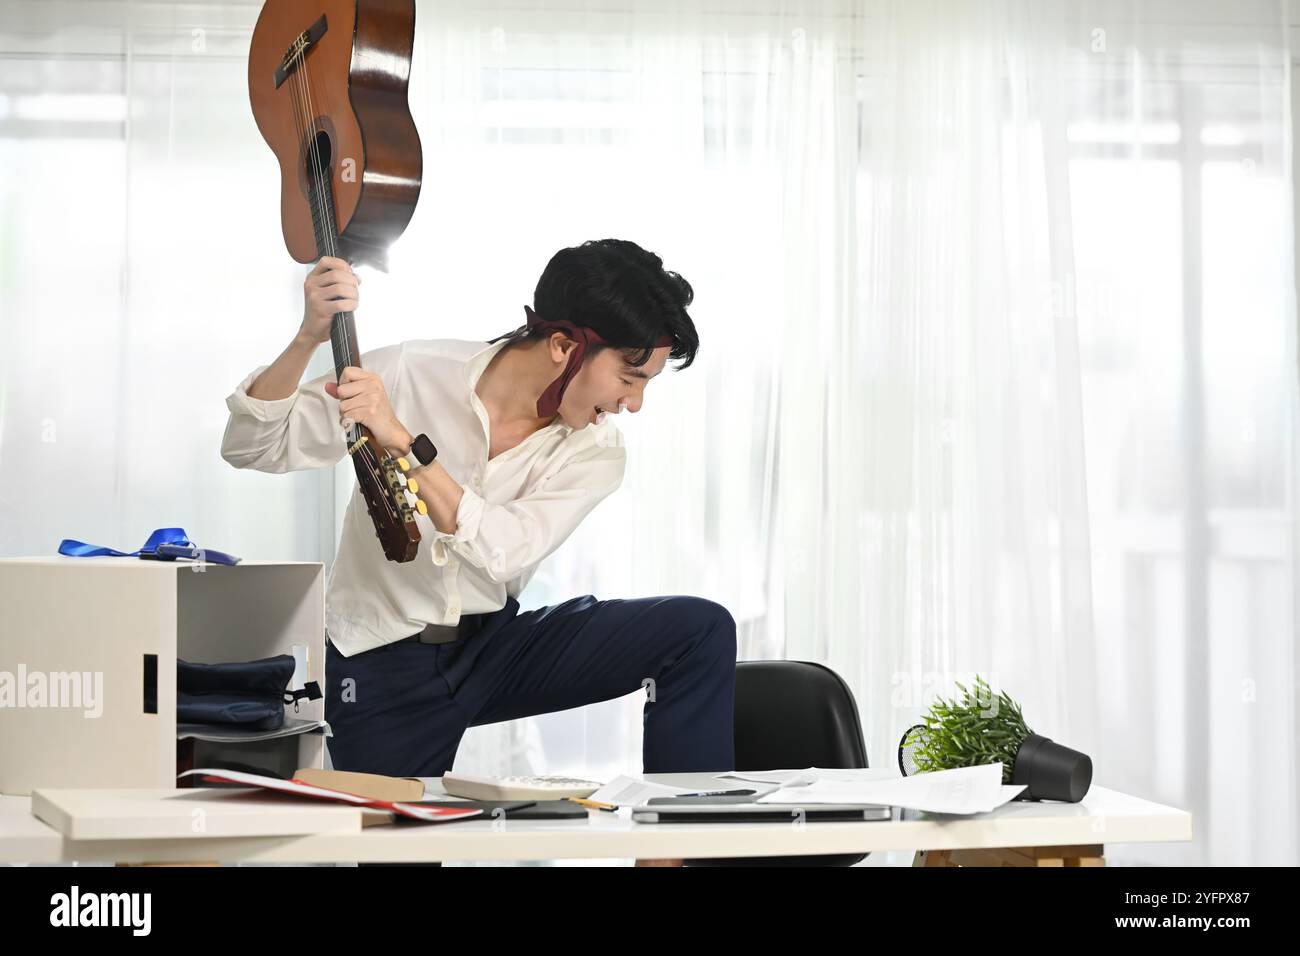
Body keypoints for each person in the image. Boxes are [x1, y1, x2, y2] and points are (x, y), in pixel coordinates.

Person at [220, 239, 737, 867]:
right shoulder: (413, 373)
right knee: (398, 865)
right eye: (629, 378)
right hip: (382, 664)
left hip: (496, 647)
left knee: (698, 628)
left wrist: (405, 443)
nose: (633, 403)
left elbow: (503, 550)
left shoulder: (597, 450)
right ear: (566, 348)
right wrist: (308, 337)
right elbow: (253, 445)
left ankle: (676, 858)